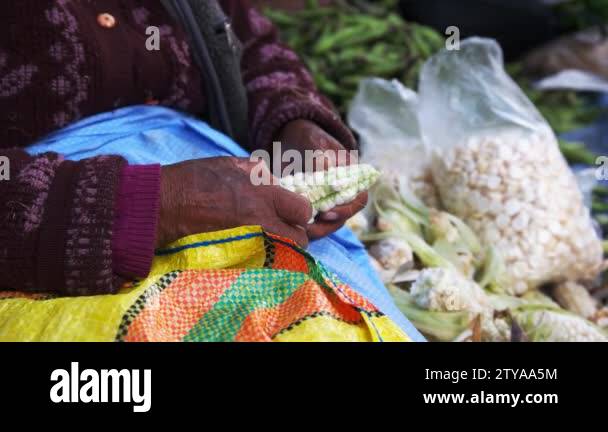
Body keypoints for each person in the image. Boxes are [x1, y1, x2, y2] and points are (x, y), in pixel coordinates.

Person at [0, 0, 367, 296]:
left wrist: (292, 119)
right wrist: (159, 205)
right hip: (58, 255)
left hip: (239, 190)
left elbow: (246, 45)